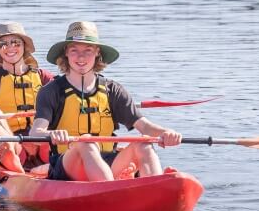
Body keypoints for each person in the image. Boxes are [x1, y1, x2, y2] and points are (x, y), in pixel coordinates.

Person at [28, 21, 181, 182]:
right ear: (66, 53)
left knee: (144, 144)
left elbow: (144, 127)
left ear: (97, 52)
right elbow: (36, 133)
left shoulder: (113, 90)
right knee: (86, 142)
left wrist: (166, 133)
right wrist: (52, 133)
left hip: (108, 162)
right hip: (67, 166)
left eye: (88, 50)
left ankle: (155, 189)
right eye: (74, 50)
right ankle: (110, 192)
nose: (81, 57)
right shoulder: (50, 91)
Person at [0, 22, 55, 173]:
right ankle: (19, 173)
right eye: (3, 44)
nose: (10, 47)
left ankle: (53, 166)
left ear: (24, 46)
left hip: (40, 140)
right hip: (9, 141)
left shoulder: (44, 77)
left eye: (15, 42)